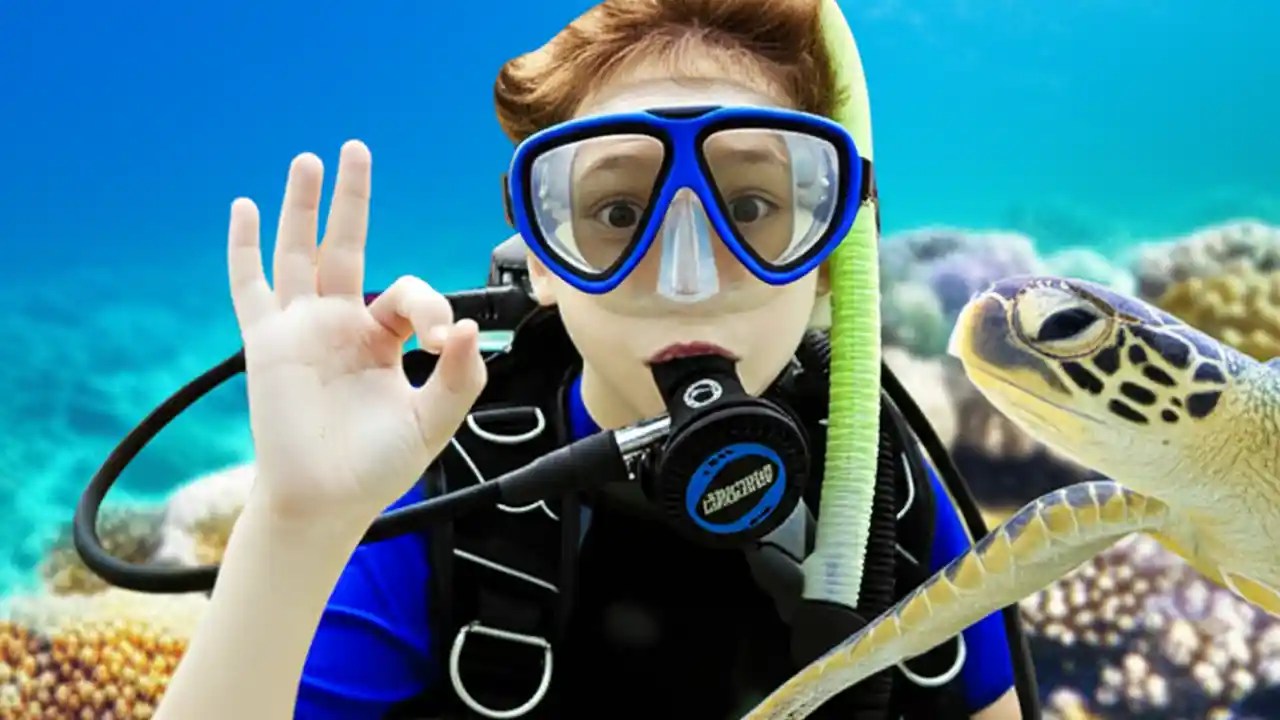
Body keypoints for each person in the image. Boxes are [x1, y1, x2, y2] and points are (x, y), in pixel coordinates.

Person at [153, 1, 1030, 718]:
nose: (688, 281)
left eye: (753, 203)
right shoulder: (456, 497)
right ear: (539, 261)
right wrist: (295, 527)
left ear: (833, 252)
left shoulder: (875, 485)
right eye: (617, 215)